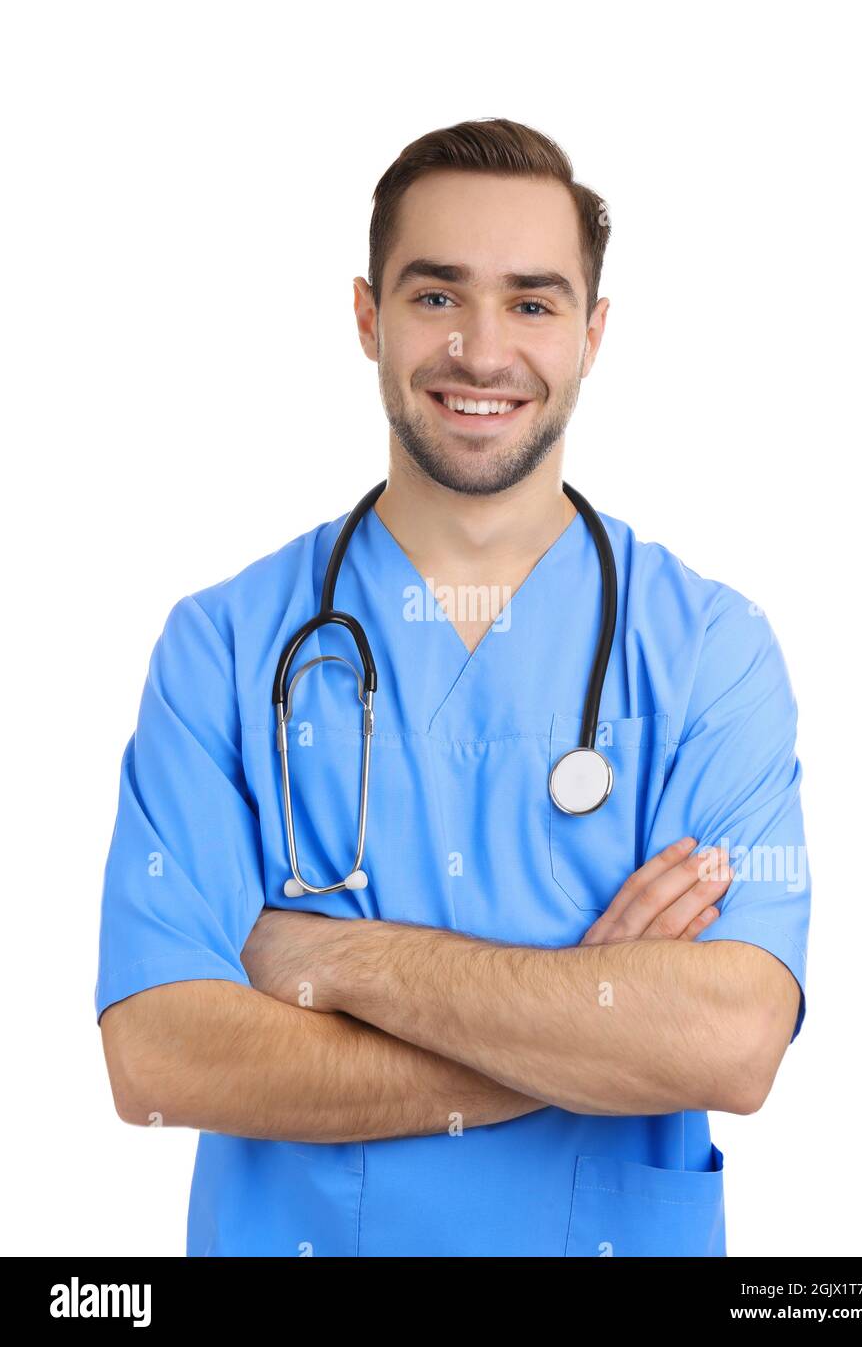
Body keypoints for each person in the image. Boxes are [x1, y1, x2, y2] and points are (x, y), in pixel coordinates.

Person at [95, 117, 809, 1258]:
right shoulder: (223, 645)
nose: (483, 352)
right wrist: (588, 1022)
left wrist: (333, 959)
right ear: (369, 316)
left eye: (533, 302)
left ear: (592, 333)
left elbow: (730, 1043)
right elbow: (161, 1057)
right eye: (437, 297)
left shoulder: (709, 650)